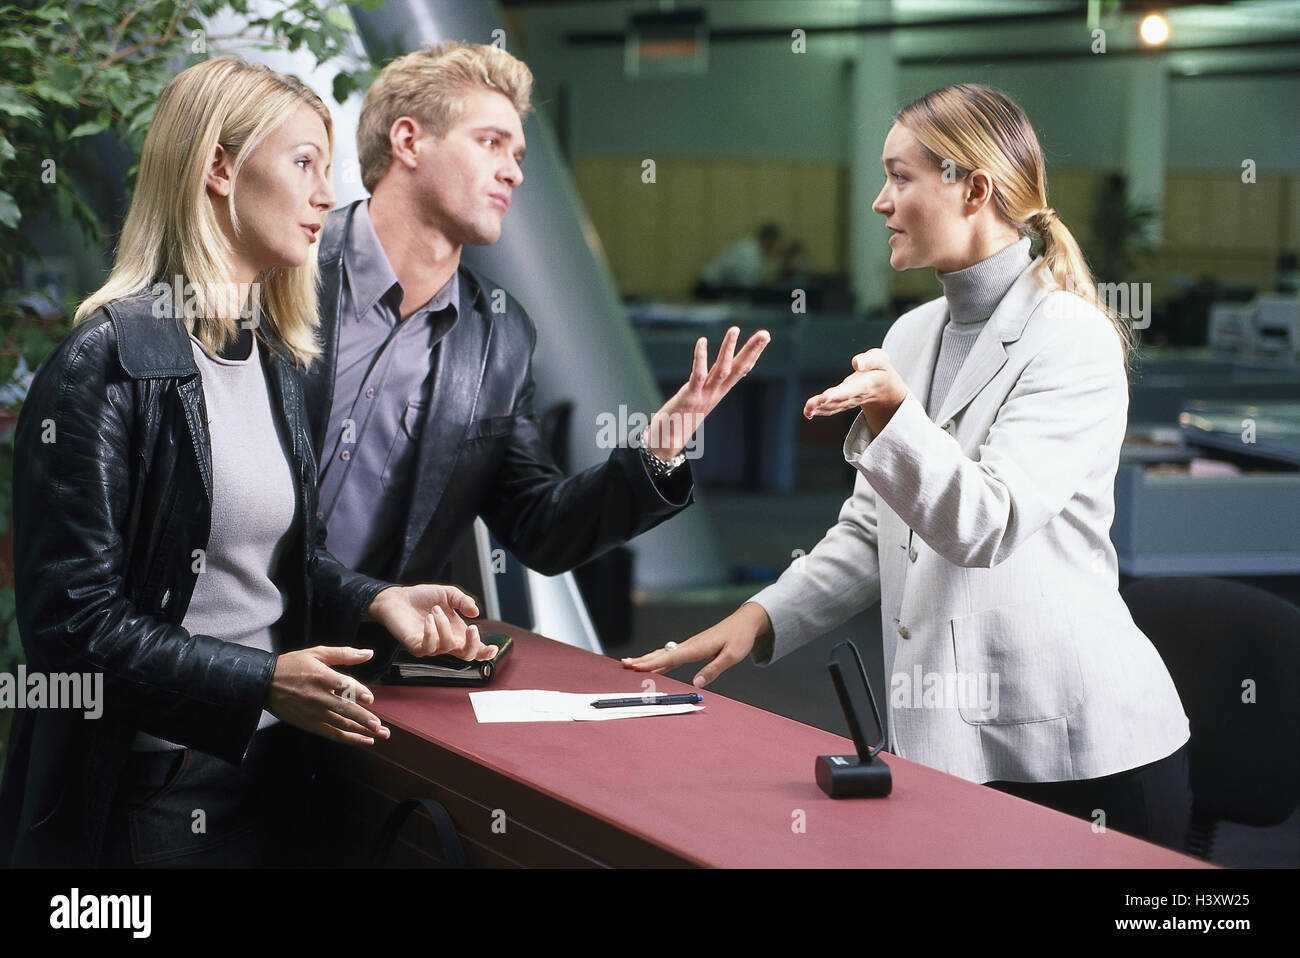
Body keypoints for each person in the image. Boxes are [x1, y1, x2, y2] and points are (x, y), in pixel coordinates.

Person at [624, 83, 1193, 852]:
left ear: (975, 189)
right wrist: (757, 619)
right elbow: (870, 530)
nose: (879, 202)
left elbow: (987, 523)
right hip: (950, 741)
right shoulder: (912, 334)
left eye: (900, 176)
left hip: (1078, 754)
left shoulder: (1072, 338)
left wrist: (896, 418)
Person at [0, 56, 494, 868]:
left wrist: (378, 602)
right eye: (303, 162)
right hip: (149, 797)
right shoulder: (105, 364)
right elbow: (70, 628)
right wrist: (258, 682)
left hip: (271, 775)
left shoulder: (268, 358)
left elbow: (271, 562)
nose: (326, 196)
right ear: (220, 168)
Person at [303, 41, 769, 665]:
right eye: (490, 142)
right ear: (409, 142)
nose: (514, 172)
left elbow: (540, 529)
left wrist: (659, 446)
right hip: (223, 654)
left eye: (518, 154)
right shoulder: (287, 272)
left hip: (362, 673)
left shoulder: (500, 335)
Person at [696, 222, 783, 292]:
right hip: (710, 288)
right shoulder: (749, 254)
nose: (776, 248)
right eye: (776, 243)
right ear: (769, 240)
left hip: (723, 287)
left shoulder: (757, 251)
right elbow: (743, 287)